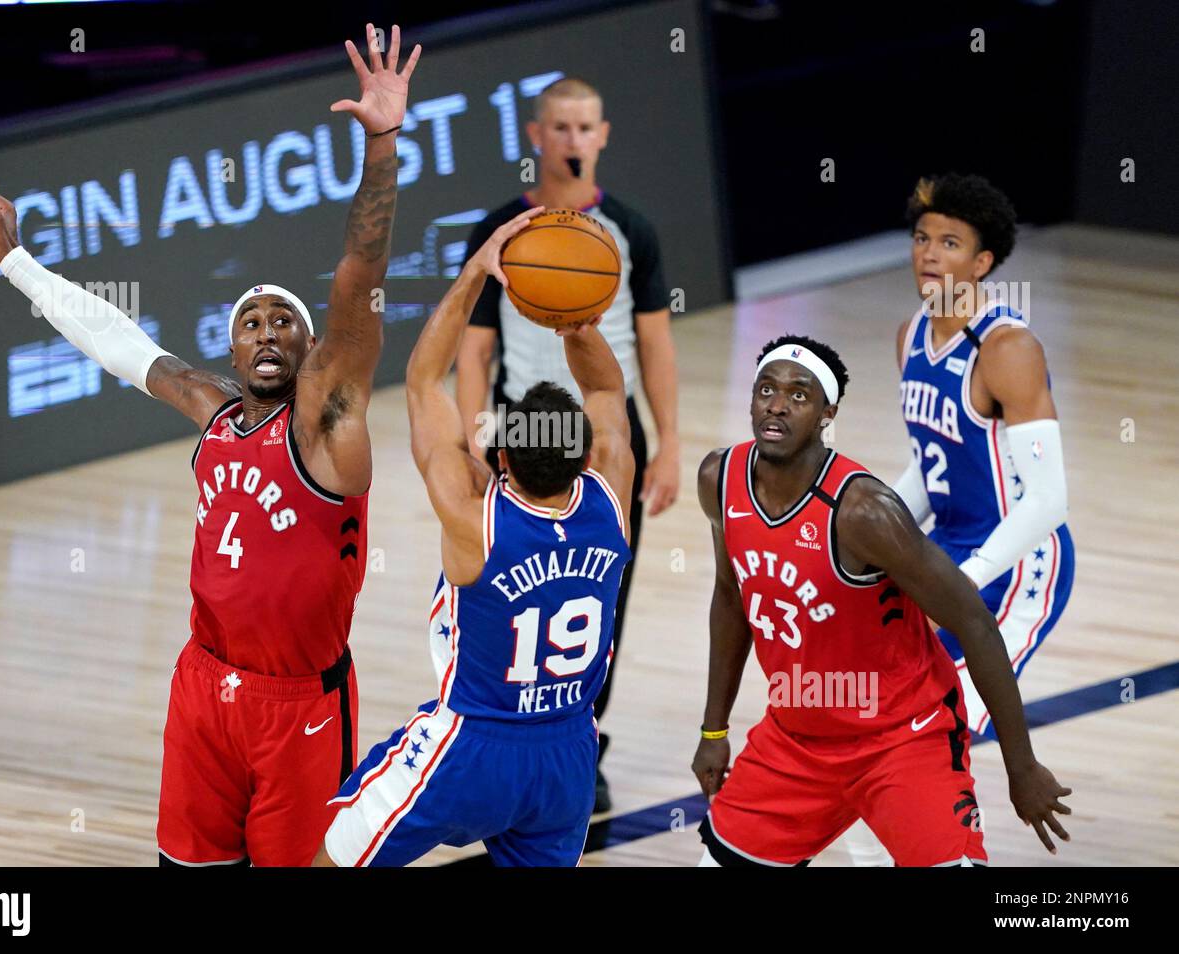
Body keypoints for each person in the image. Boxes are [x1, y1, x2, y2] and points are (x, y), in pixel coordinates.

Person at [0, 23, 420, 866]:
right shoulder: (212, 413)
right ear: (233, 349)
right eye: (251, 322)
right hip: (204, 687)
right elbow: (117, 338)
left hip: (299, 708)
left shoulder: (323, 424)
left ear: (314, 352)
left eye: (286, 320)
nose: (269, 331)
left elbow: (359, 278)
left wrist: (381, 143)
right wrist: (16, 260)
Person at [315, 206, 634, 867]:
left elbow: (423, 380)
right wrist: (575, 321)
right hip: (568, 754)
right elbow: (606, 390)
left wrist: (477, 272)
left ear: (503, 460)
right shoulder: (610, 498)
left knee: (335, 859)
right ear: (585, 457)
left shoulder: (475, 516)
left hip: (472, 747)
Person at [692, 334, 1072, 867]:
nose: (777, 404)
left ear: (828, 413)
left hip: (901, 739)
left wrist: (1022, 767)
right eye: (766, 389)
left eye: (798, 395)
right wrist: (714, 729)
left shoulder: (864, 512)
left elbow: (974, 622)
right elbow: (730, 599)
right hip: (796, 738)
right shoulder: (720, 479)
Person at [455, 77, 678, 812]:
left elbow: (655, 345)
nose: (573, 141)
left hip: (610, 436)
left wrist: (670, 443)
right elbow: (475, 351)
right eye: (560, 128)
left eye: (585, 128)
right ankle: (506, 724)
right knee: (511, 586)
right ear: (535, 135)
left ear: (602, 135)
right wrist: (470, 439)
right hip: (524, 430)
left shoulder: (632, 230)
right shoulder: (499, 231)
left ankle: (584, 734)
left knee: (602, 590)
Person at [845, 172, 1077, 866]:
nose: (930, 253)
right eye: (922, 237)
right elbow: (932, 460)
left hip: (1019, 564)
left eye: (950, 242)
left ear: (982, 263)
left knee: (932, 729)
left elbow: (1048, 503)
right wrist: (871, 525)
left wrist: (960, 580)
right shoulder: (910, 334)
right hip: (947, 550)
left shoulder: (1007, 350)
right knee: (874, 717)